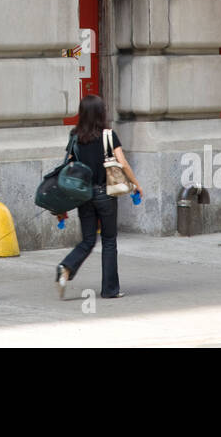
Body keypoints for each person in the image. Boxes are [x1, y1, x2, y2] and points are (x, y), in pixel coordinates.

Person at [55, 94, 141, 299]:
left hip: (84, 195)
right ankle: (110, 289)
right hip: (106, 194)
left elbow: (66, 168)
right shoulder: (109, 136)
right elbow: (123, 164)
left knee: (88, 240)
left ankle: (66, 267)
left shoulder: (75, 136)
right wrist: (135, 185)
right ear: (101, 113)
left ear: (82, 113)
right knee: (109, 241)